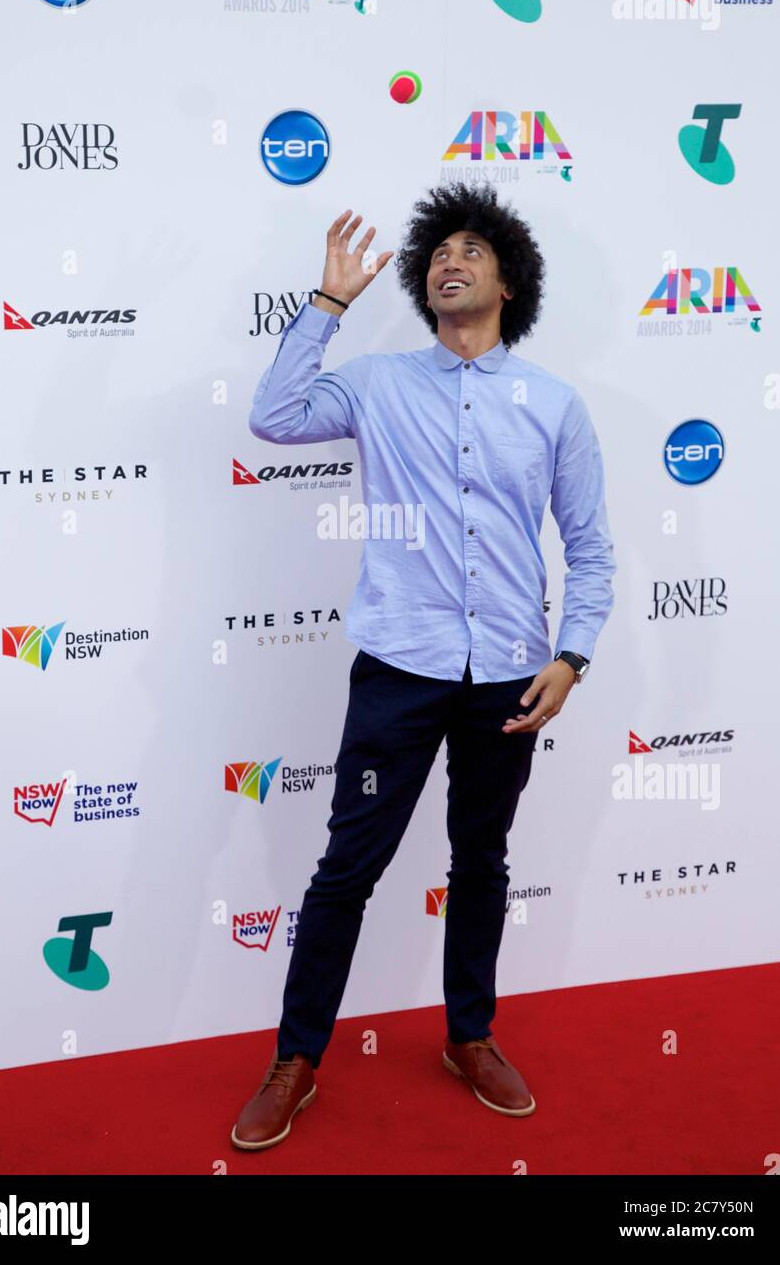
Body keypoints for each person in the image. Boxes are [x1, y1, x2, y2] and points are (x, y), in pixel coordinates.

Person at [232, 181, 615, 1150]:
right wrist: (327, 302)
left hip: (509, 679)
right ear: (419, 279)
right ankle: (296, 1059)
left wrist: (570, 656)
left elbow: (590, 546)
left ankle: (468, 1033)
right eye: (436, 252)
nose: (449, 261)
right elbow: (272, 417)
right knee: (344, 868)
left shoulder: (553, 405)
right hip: (397, 673)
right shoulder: (377, 385)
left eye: (470, 252)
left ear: (507, 282)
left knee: (480, 861)